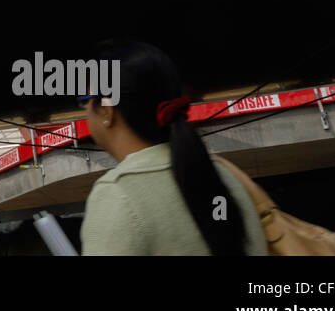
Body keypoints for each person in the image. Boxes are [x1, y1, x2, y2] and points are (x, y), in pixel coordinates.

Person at [78, 40, 266, 256]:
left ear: (106, 110)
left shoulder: (117, 194)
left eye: (84, 101)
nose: (85, 111)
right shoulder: (225, 175)